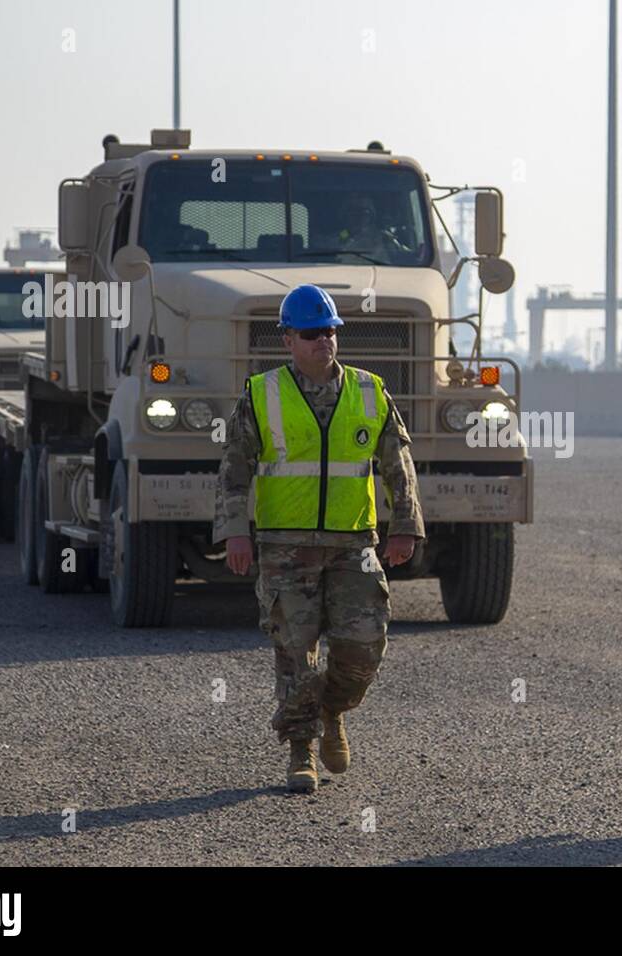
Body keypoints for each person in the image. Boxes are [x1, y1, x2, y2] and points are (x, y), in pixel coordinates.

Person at [213, 283, 425, 794]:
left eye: (331, 331)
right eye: (312, 333)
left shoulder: (371, 390)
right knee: (295, 651)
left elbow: (399, 465)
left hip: (354, 543)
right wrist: (235, 532)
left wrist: (405, 526)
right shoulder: (261, 394)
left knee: (363, 649)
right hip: (285, 547)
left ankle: (334, 710)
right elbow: (233, 470)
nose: (324, 341)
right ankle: (301, 750)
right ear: (288, 340)